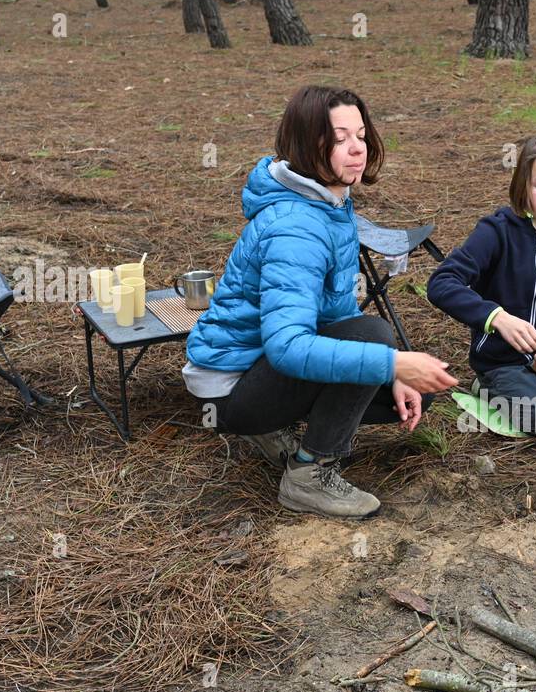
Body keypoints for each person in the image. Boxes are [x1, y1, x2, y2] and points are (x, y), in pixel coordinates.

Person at [182, 86, 457, 518]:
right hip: (231, 389)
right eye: (340, 137)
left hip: (257, 372)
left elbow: (336, 314)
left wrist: (396, 368)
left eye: (361, 135)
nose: (357, 149)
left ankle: (275, 431)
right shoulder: (297, 228)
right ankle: (308, 477)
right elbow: (288, 347)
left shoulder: (330, 203)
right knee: (376, 339)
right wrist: (392, 362)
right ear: (310, 143)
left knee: (402, 380)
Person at [426, 134, 536, 435]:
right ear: (523, 184)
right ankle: (485, 386)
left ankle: (531, 393)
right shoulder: (497, 232)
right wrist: (496, 318)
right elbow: (441, 283)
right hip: (501, 364)